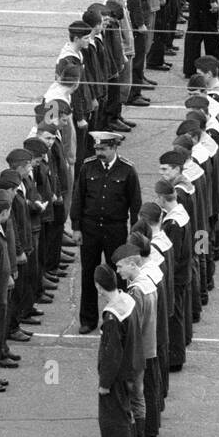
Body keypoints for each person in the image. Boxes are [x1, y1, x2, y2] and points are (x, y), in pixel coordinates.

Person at [71, 130, 142, 335]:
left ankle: (118, 315)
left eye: (103, 149)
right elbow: (78, 198)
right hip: (90, 227)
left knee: (118, 274)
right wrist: (76, 227)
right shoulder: (88, 167)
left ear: (114, 148)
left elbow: (135, 204)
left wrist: (132, 235)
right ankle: (88, 319)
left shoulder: (127, 170)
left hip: (116, 229)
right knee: (88, 274)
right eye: (97, 149)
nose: (99, 152)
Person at [94, 262, 139, 437]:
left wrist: (104, 383)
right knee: (125, 415)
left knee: (112, 422)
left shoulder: (111, 316)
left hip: (116, 377)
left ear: (99, 287)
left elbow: (111, 352)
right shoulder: (127, 301)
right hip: (129, 369)